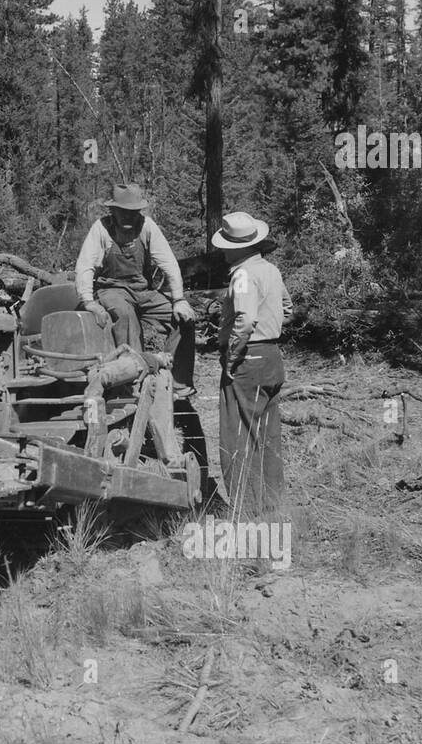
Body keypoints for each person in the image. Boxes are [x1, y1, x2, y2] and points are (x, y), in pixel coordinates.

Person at [74, 183, 197, 397]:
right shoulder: (101, 228)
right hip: (111, 289)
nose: (129, 217)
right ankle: (131, 380)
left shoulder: (147, 226)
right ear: (112, 210)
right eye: (123, 212)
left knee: (184, 318)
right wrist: (88, 301)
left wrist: (179, 299)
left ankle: (176, 380)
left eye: (133, 212)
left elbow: (168, 262)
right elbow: (86, 265)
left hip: (142, 290)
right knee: (124, 314)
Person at [212, 211, 292, 518]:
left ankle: (245, 510)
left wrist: (233, 356)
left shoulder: (243, 274)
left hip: (249, 359)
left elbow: (244, 321)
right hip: (272, 357)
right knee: (268, 436)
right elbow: (287, 308)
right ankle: (273, 505)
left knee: (237, 436)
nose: (222, 251)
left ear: (236, 248)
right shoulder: (270, 270)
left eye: (225, 245)